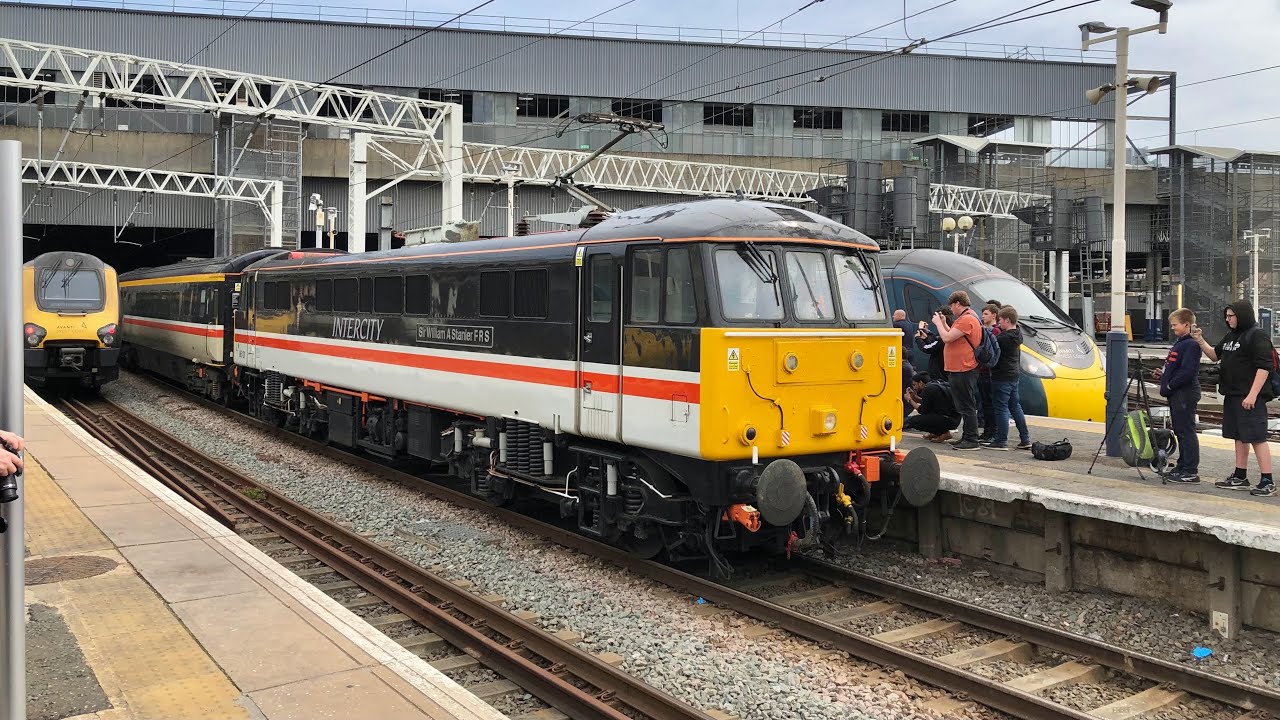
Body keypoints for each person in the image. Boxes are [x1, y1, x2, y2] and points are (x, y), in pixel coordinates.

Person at [1193, 301, 1274, 496]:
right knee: (1239, 436)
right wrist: (1200, 340)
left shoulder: (1257, 336)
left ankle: (1267, 480)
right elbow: (1214, 356)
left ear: (1242, 315)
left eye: (1231, 316)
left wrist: (1253, 395)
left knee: (1257, 437)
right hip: (1232, 394)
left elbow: (1264, 367)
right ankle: (1240, 475)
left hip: (1249, 396)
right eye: (1227, 316)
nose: (1228, 319)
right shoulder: (1231, 336)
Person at [1155, 308, 1202, 483]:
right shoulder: (1181, 343)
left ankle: (1190, 470)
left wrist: (1169, 384)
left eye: (1175, 325)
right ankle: (1183, 466)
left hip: (1184, 393)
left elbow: (1188, 371)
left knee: (1186, 431)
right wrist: (1163, 374)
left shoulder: (1190, 344)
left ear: (1186, 324)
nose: (1173, 328)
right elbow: (1176, 367)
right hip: (1178, 393)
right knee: (1181, 431)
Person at [933, 291, 982, 450]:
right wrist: (943, 323)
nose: (951, 310)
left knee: (966, 405)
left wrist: (938, 324)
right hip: (960, 367)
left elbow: (946, 338)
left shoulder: (967, 319)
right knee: (963, 404)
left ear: (958, 304)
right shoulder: (966, 317)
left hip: (964, 368)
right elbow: (952, 334)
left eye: (952, 306)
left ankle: (972, 439)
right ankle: (967, 437)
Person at [987, 306, 1032, 451]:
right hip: (1013, 375)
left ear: (1007, 320)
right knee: (1015, 406)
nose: (998, 323)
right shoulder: (1018, 334)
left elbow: (990, 348)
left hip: (1001, 376)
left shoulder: (1003, 338)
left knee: (1001, 408)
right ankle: (1025, 439)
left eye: (1000, 320)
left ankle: (1001, 440)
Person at [904, 373, 961, 442]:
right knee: (929, 416)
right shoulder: (935, 385)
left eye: (915, 384)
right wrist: (914, 397)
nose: (914, 387)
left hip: (947, 419)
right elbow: (926, 402)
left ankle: (944, 433)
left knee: (914, 421)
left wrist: (909, 400)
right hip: (954, 419)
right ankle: (936, 433)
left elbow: (922, 410)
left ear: (921, 383)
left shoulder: (927, 389)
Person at [977, 303, 1003, 441]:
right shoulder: (983, 330)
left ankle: (991, 432)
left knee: (989, 404)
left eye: (986, 314)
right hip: (982, 371)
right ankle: (987, 432)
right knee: (985, 403)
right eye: (982, 314)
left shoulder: (995, 332)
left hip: (988, 372)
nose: (983, 316)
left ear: (994, 315)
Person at [915, 306, 950, 381]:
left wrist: (918, 339)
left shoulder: (945, 335)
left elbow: (928, 348)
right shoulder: (950, 330)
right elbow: (935, 342)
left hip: (940, 372)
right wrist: (927, 334)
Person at [892, 309, 916, 391]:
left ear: (900, 316)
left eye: (894, 315)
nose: (892, 316)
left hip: (901, 353)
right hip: (910, 352)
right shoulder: (910, 325)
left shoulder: (896, 325)